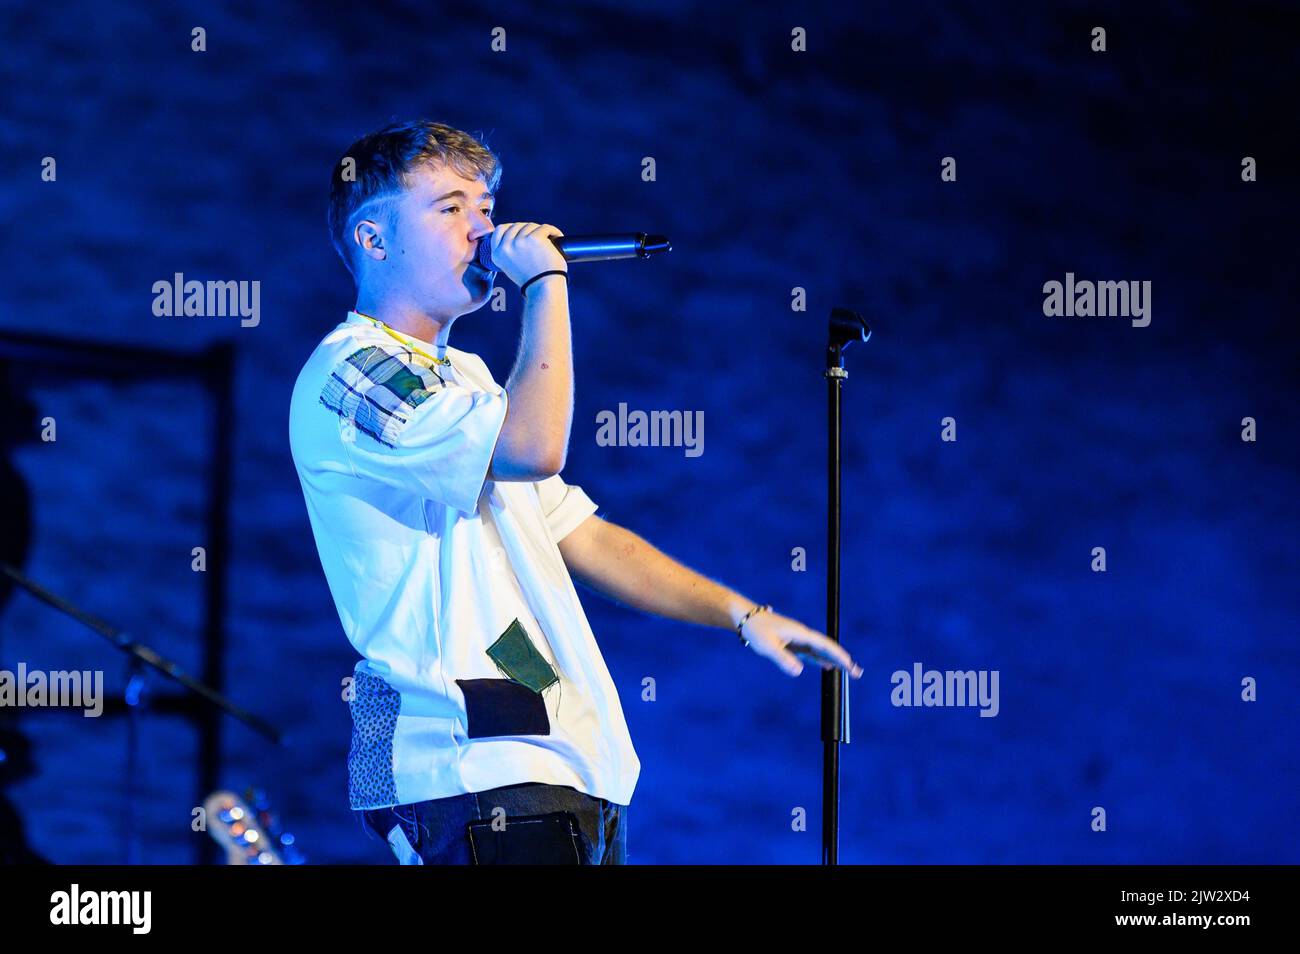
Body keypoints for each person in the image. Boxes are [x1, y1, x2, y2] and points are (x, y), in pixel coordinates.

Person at [289, 119, 862, 865]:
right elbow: (535, 446)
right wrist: (548, 284)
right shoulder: (354, 374)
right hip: (476, 767)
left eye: (487, 206)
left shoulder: (464, 382)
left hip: (553, 768)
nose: (484, 227)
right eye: (451, 207)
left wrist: (743, 614)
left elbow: (580, 533)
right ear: (373, 240)